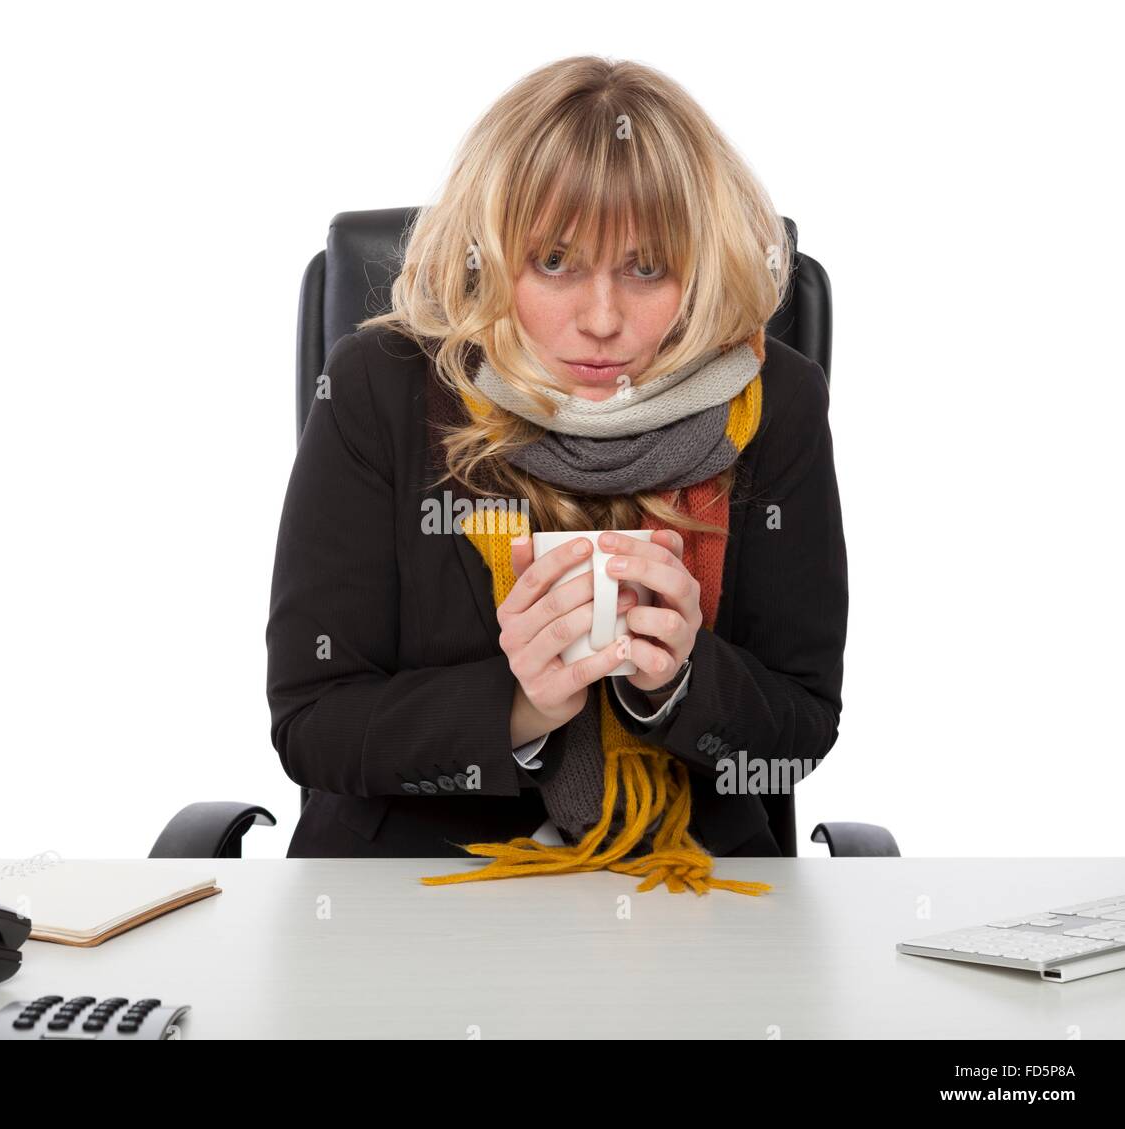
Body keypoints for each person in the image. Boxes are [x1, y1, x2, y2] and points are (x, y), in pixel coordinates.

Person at [266, 56, 847, 893]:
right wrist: (521, 706)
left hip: (684, 887)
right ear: (490, 258)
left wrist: (683, 681)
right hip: (413, 886)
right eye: (554, 262)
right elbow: (312, 723)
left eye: (647, 268)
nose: (602, 319)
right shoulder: (377, 385)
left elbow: (800, 728)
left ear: (703, 264)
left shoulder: (776, 401)